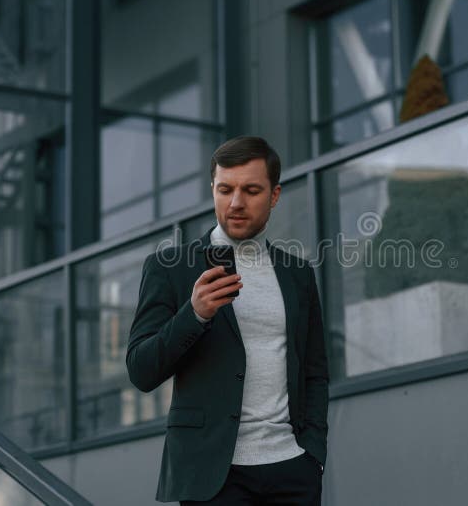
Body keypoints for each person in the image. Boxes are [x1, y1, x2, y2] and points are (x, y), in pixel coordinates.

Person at [126, 136, 329, 504]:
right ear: (213, 190)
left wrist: (312, 454)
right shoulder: (170, 268)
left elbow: (314, 370)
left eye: (251, 190)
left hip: (292, 470)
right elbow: (141, 371)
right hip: (212, 477)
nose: (236, 203)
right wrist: (195, 314)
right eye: (225, 189)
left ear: (275, 195)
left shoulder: (298, 273)